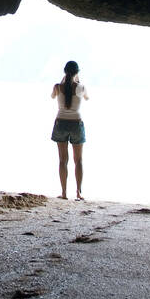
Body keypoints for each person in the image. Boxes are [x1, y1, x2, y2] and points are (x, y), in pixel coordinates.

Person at [51, 60, 88, 200]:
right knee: (78, 160)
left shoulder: (57, 87)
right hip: (76, 123)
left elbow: (52, 96)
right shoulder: (81, 87)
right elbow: (87, 98)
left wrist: (63, 81)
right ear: (77, 73)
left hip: (61, 123)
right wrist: (77, 81)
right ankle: (78, 192)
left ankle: (64, 193)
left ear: (64, 72)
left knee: (62, 160)